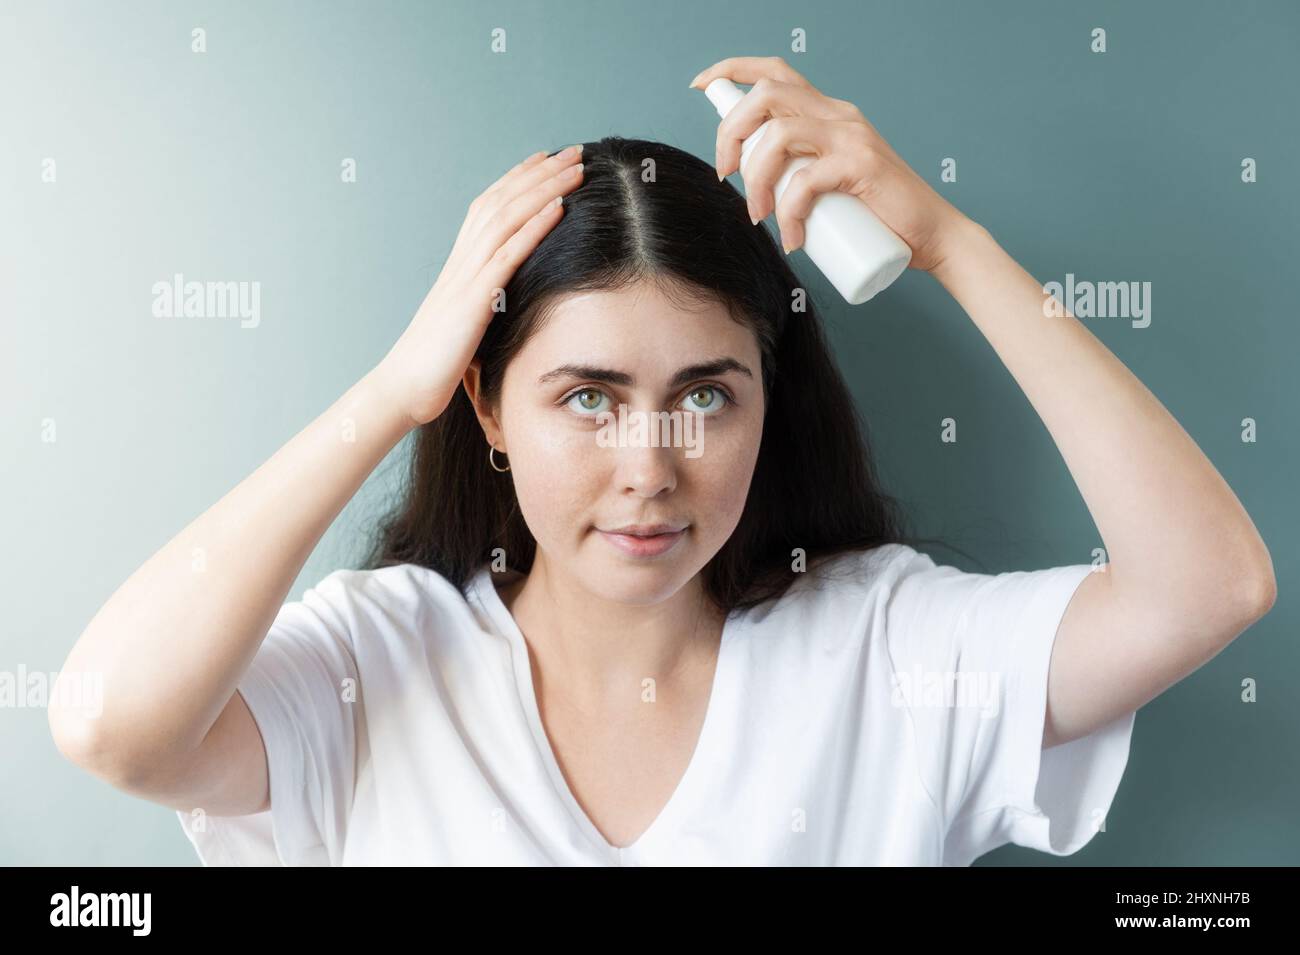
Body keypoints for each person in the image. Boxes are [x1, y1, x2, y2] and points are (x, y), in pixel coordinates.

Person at [49, 56, 1275, 866]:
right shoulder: (376, 659)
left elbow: (1208, 586)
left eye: (704, 395)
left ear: (764, 403)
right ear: (485, 407)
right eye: (586, 396)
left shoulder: (890, 650)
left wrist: (948, 241)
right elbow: (111, 724)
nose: (650, 464)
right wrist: (390, 391)